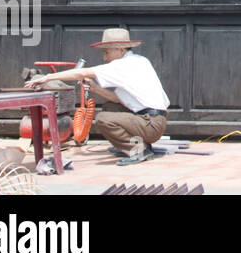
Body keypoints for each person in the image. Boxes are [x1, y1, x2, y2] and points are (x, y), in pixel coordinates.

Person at [28, 28, 169, 165]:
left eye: (107, 52)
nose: (104, 57)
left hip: (151, 124)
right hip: (153, 120)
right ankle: (141, 145)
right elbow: (119, 100)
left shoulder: (122, 65)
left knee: (103, 119)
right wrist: (96, 89)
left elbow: (81, 73)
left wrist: (47, 78)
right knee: (111, 107)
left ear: (121, 49)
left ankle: (138, 150)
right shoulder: (140, 60)